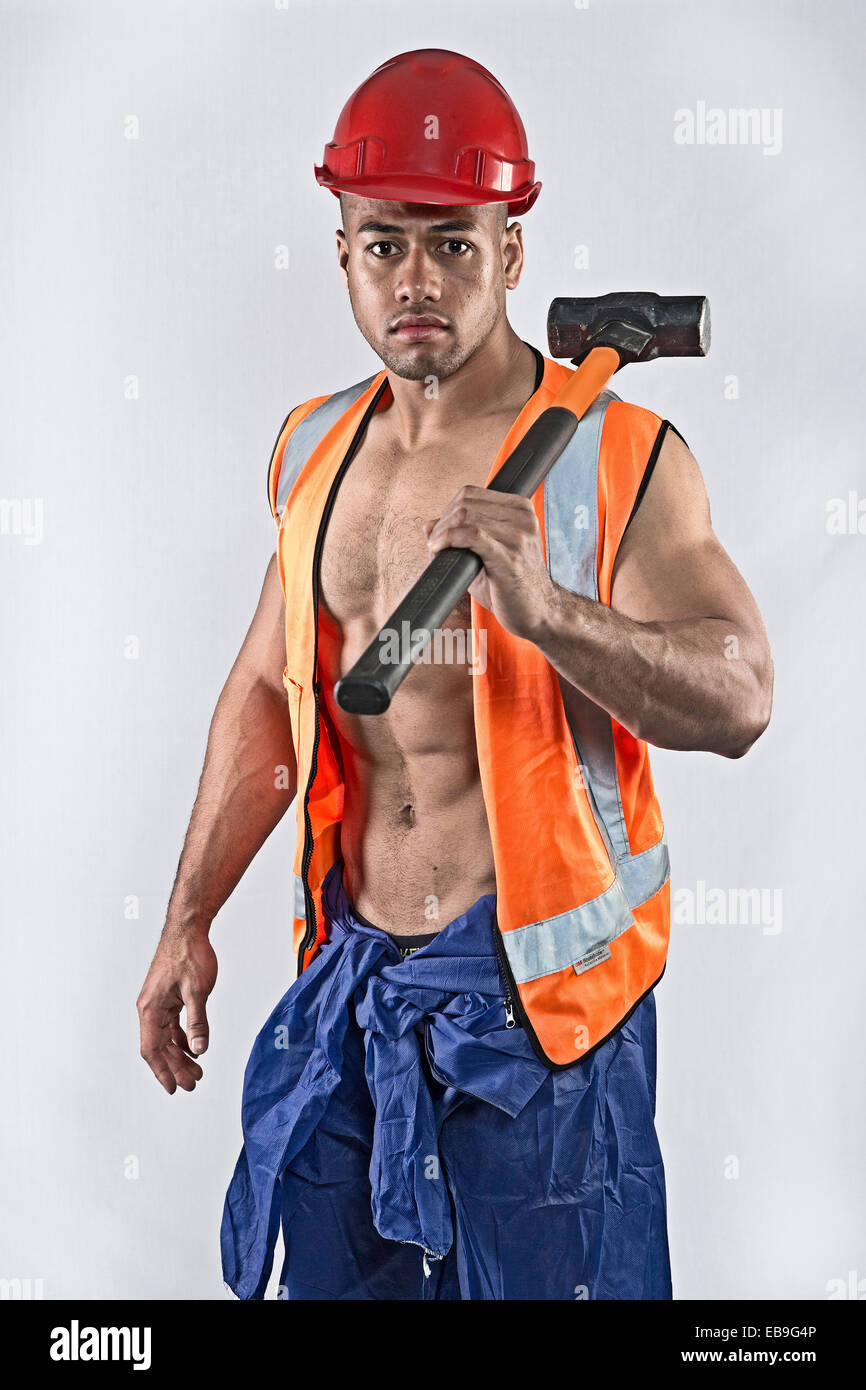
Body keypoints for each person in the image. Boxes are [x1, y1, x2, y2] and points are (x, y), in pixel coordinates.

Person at [137, 49, 773, 1301]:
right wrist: (187, 918)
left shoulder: (617, 457)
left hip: (541, 1016)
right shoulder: (312, 448)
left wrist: (547, 610)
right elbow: (268, 693)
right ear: (340, 253)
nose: (414, 279)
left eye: (451, 242)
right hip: (351, 983)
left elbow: (739, 695)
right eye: (384, 244)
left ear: (511, 251)